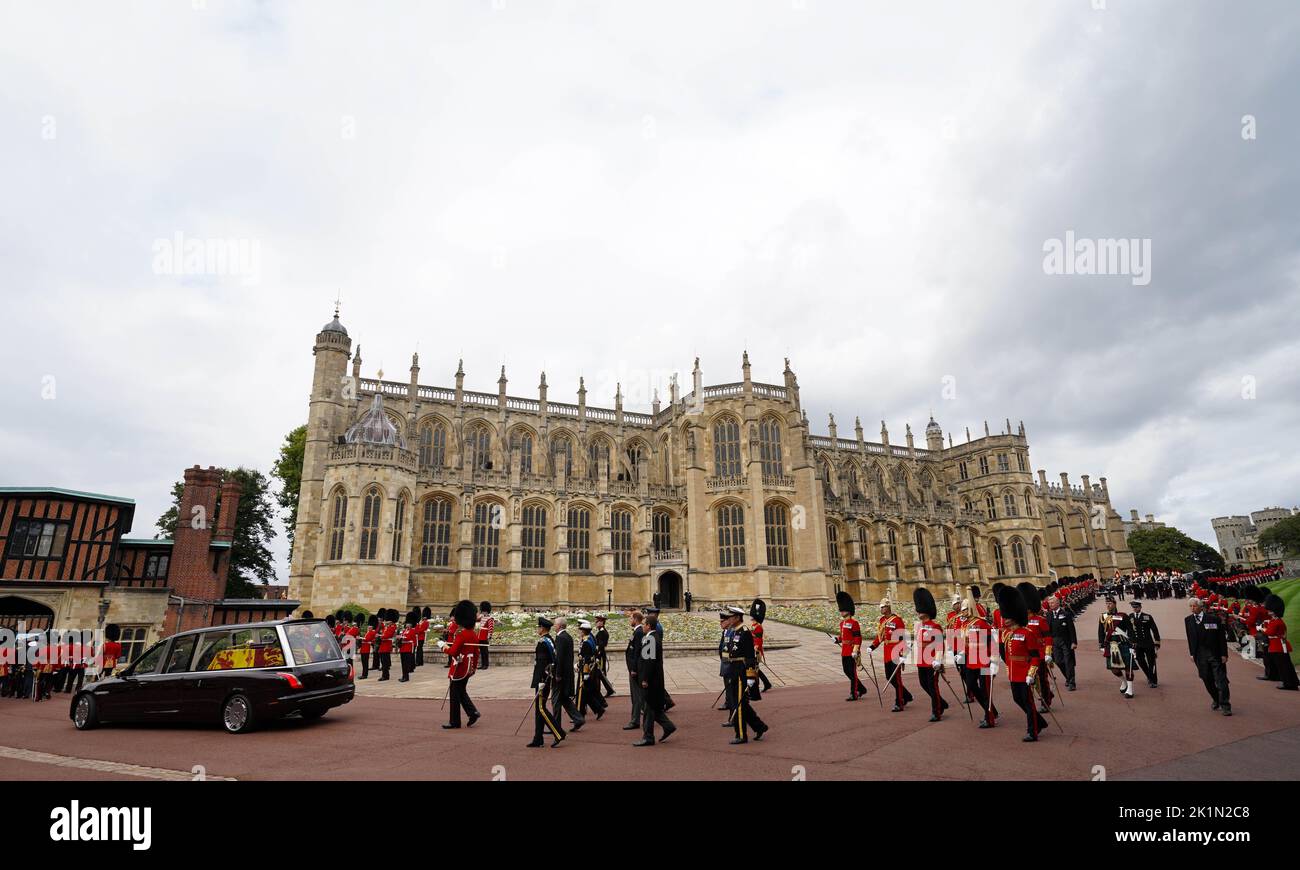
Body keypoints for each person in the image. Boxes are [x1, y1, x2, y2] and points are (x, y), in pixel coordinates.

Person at [996, 584, 1049, 742]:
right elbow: (1005, 654)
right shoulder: (1007, 635)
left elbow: (1035, 656)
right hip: (1013, 673)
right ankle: (1039, 722)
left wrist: (1031, 673)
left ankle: (1032, 730)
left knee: (1027, 701)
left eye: (1007, 616)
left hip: (1025, 673)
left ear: (1014, 615)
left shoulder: (1027, 633)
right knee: (1017, 699)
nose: (1004, 619)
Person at [719, 606, 767, 744]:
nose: (729, 619)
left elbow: (750, 656)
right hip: (732, 670)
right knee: (740, 703)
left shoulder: (744, 632)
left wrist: (751, 676)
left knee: (739, 705)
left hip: (741, 671)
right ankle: (759, 726)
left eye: (731, 617)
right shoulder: (732, 631)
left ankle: (741, 734)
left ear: (737, 618)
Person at [633, 606, 676, 746]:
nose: (643, 627)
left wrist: (645, 679)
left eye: (644, 624)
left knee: (648, 708)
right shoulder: (653, 637)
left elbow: (649, 662)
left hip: (650, 680)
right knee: (653, 707)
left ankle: (648, 737)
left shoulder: (650, 639)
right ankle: (668, 726)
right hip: (655, 679)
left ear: (648, 626)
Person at [436, 600, 482, 729]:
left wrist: (443, 646)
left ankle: (455, 721)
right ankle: (473, 712)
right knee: (461, 691)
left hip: (459, 667)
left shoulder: (461, 634)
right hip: (468, 666)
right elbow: (476, 652)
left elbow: (453, 652)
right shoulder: (473, 634)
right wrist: (473, 667)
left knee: (455, 694)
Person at [954, 598, 998, 728]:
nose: (963, 612)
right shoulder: (964, 624)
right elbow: (964, 643)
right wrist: (961, 654)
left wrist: (994, 661)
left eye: (965, 609)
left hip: (984, 659)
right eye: (962, 610)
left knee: (985, 689)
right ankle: (991, 711)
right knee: (971, 684)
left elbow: (992, 642)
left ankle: (989, 718)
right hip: (970, 659)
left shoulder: (981, 623)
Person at [1185, 597, 1231, 716]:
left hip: (1214, 654)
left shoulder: (1213, 619)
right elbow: (1190, 638)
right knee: (1207, 679)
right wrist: (1192, 653)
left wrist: (1224, 654)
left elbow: (1221, 638)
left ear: (1200, 607)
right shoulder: (1188, 620)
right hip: (1200, 655)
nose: (1192, 608)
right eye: (1190, 606)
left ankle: (1225, 705)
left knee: (1221, 680)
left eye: (1194, 606)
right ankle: (1216, 699)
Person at [869, 597, 913, 711]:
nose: (882, 609)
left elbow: (904, 638)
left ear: (888, 607)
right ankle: (906, 695)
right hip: (887, 653)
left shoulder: (897, 620)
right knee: (889, 677)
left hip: (896, 652)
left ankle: (899, 702)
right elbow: (880, 637)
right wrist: (872, 646)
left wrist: (903, 654)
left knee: (896, 678)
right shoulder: (882, 621)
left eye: (884, 607)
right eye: (881, 607)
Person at [527, 617, 565, 748]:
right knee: (539, 709)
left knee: (541, 709)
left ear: (542, 628)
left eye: (538, 627)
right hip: (543, 679)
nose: (537, 629)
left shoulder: (544, 642)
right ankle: (538, 738)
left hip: (543, 680)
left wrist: (542, 680)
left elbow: (545, 664)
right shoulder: (548, 640)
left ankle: (559, 733)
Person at [912, 588, 948, 722]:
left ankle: (936, 711)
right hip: (921, 660)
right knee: (923, 684)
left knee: (932, 686)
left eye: (920, 609)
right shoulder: (919, 626)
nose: (918, 611)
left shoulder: (935, 626)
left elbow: (939, 645)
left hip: (932, 661)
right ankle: (941, 703)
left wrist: (938, 660)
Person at [550, 617, 585, 732]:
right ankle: (578, 718)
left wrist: (558, 674)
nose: (554, 626)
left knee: (555, 701)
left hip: (560, 675)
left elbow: (559, 658)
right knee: (564, 699)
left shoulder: (560, 638)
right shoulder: (568, 637)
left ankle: (556, 727)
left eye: (555, 624)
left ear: (559, 626)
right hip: (567, 674)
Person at [833, 591, 868, 701]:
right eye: (841, 610)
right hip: (844, 651)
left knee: (852, 673)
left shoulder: (854, 623)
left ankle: (854, 693)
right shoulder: (842, 623)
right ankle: (861, 689)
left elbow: (858, 638)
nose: (841, 612)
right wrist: (837, 639)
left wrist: (855, 650)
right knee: (846, 671)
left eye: (843, 610)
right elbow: (843, 636)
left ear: (848, 611)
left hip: (852, 651)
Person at [1098, 597, 1136, 698]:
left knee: (1128, 667)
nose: (1108, 605)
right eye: (1107, 603)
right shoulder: (1103, 616)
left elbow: (1130, 630)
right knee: (1113, 669)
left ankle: (1130, 690)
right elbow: (1101, 632)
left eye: (1110, 603)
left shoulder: (1123, 616)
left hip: (1123, 644)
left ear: (1115, 604)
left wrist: (1132, 644)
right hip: (1110, 645)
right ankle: (1124, 681)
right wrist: (1101, 645)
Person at [1262, 594, 1298, 690]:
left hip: (1278, 646)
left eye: (1270, 609)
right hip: (1276, 645)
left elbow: (1270, 632)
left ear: (1274, 611)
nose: (1268, 611)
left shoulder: (1277, 622)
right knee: (1284, 665)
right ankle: (1291, 682)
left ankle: (1288, 683)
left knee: (1283, 666)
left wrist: (1262, 629)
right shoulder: (1275, 621)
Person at [576, 621, 608, 720]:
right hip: (587, 669)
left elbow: (586, 658)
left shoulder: (586, 642)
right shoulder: (588, 639)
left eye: (580, 630)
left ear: (583, 631)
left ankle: (580, 714)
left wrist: (584, 671)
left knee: (581, 692)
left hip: (585, 670)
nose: (579, 632)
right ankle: (598, 709)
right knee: (587, 692)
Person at [1045, 594, 1077, 691]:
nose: (1050, 604)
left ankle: (1072, 682)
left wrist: (1074, 642)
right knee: (1058, 661)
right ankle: (1067, 677)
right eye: (1049, 603)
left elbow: (1071, 629)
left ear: (1058, 603)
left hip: (1065, 641)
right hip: (1054, 641)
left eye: (1052, 603)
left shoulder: (1065, 614)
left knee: (1068, 662)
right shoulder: (1049, 615)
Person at [1128, 600, 1161, 688]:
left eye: (1136, 607)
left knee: (1151, 662)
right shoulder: (1130, 617)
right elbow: (1130, 631)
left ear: (1140, 607)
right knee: (1140, 661)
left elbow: (1154, 629)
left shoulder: (1147, 617)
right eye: (1133, 607)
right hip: (1137, 644)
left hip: (1148, 643)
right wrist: (1130, 642)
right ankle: (1149, 676)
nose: (1135, 609)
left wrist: (1157, 642)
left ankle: (1153, 680)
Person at [623, 609, 645, 731]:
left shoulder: (639, 632)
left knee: (636, 696)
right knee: (638, 696)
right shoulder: (636, 632)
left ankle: (635, 720)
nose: (629, 620)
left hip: (635, 670)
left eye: (631, 618)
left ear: (636, 620)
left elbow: (637, 652)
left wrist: (634, 669)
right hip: (633, 668)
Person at [750, 599, 772, 692]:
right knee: (755, 669)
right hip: (753, 649)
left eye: (752, 618)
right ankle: (765, 684)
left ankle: (763, 684)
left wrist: (756, 648)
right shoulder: (754, 626)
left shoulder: (758, 627)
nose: (751, 619)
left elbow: (758, 639)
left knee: (755, 669)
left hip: (756, 650)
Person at [593, 614, 614, 696]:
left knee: (601, 674)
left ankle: (608, 689)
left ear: (601, 623)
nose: (596, 623)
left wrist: (597, 653)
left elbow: (601, 645)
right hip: (601, 654)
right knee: (601, 674)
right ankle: (608, 689)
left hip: (600, 655)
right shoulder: (601, 631)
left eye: (597, 622)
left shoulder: (602, 632)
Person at [377, 609, 396, 681]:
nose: (387, 621)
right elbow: (384, 634)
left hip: (386, 646)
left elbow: (387, 635)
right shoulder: (387, 627)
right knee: (383, 661)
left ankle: (385, 676)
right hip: (383, 645)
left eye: (388, 620)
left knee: (385, 662)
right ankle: (384, 675)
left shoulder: (392, 627)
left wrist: (380, 636)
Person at [476, 602, 494, 670]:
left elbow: (490, 629)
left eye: (484, 611)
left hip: (485, 636)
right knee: (481, 651)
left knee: (485, 652)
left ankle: (486, 664)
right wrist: (479, 614)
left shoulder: (490, 618)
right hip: (480, 636)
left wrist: (489, 637)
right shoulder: (481, 617)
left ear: (486, 611)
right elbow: (476, 620)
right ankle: (482, 664)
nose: (483, 612)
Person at [358, 614, 377, 679]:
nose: (368, 627)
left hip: (366, 648)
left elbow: (367, 639)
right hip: (364, 648)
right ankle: (364, 674)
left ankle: (365, 675)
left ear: (372, 627)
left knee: (365, 662)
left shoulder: (372, 632)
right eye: (368, 626)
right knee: (364, 662)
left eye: (370, 626)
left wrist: (360, 638)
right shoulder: (368, 632)